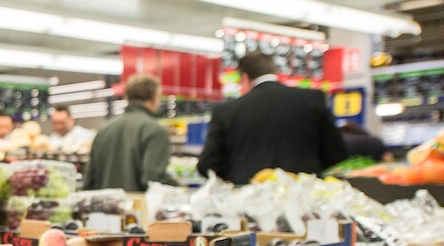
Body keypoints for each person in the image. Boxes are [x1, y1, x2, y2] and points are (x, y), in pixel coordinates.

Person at [197, 51, 348, 183]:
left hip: (249, 201)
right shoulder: (313, 100)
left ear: (244, 77)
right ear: (274, 72)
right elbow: (337, 154)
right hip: (303, 200)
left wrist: (236, 176)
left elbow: (208, 165)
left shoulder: (227, 111)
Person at [83, 74, 176, 192]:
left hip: (105, 207)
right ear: (153, 97)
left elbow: (89, 179)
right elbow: (153, 176)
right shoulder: (155, 130)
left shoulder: (104, 130)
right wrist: (179, 189)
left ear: (127, 97)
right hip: (138, 207)